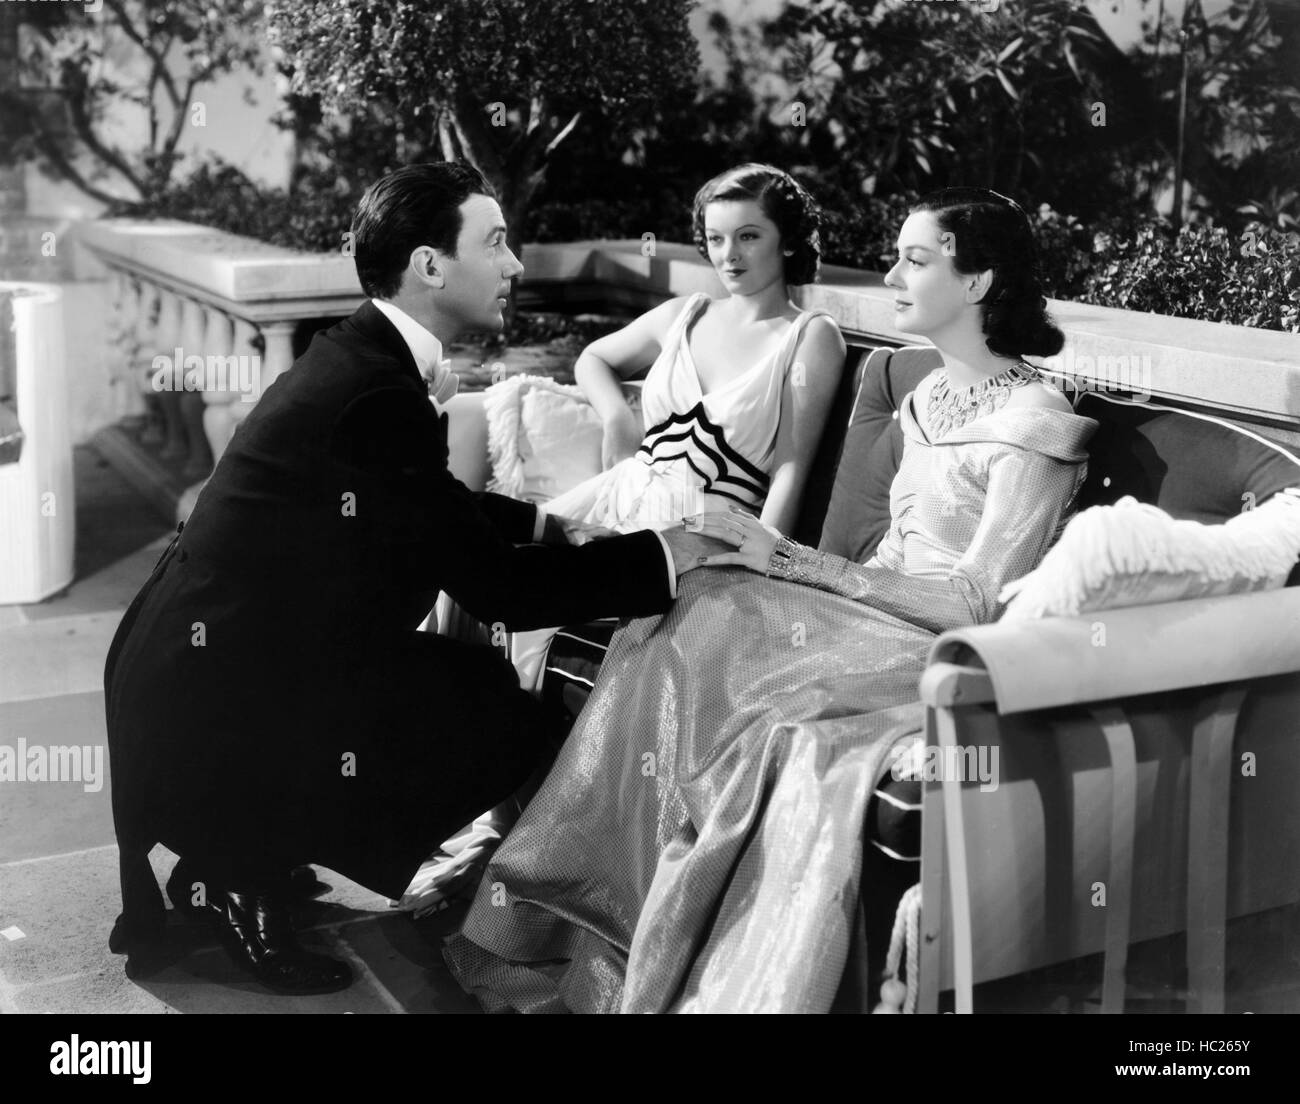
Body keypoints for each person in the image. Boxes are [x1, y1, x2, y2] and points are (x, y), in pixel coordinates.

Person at [443, 187, 1100, 1013]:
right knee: (693, 597)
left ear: (977, 284)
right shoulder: (924, 396)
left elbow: (973, 604)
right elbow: (892, 550)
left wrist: (789, 560)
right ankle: (601, 914)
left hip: (938, 652)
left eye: (915, 258)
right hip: (871, 610)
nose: (890, 272)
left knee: (719, 625)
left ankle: (651, 934)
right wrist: (776, 566)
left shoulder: (1038, 420)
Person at [103, 162, 721, 993]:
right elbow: (499, 587)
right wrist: (665, 556)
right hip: (211, 694)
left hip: (205, 663)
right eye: (495, 242)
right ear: (431, 265)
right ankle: (233, 870)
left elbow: (428, 510)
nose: (513, 265)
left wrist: (553, 520)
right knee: (494, 715)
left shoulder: (365, 353)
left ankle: (250, 843)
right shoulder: (376, 390)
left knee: (462, 681)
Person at [507, 164, 845, 691]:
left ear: (787, 242)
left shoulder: (809, 337)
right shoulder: (684, 314)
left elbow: (791, 465)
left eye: (748, 236)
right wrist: (619, 418)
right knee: (489, 572)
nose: (728, 254)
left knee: (553, 599)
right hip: (618, 493)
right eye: (715, 238)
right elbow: (593, 358)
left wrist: (765, 561)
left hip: (701, 529)